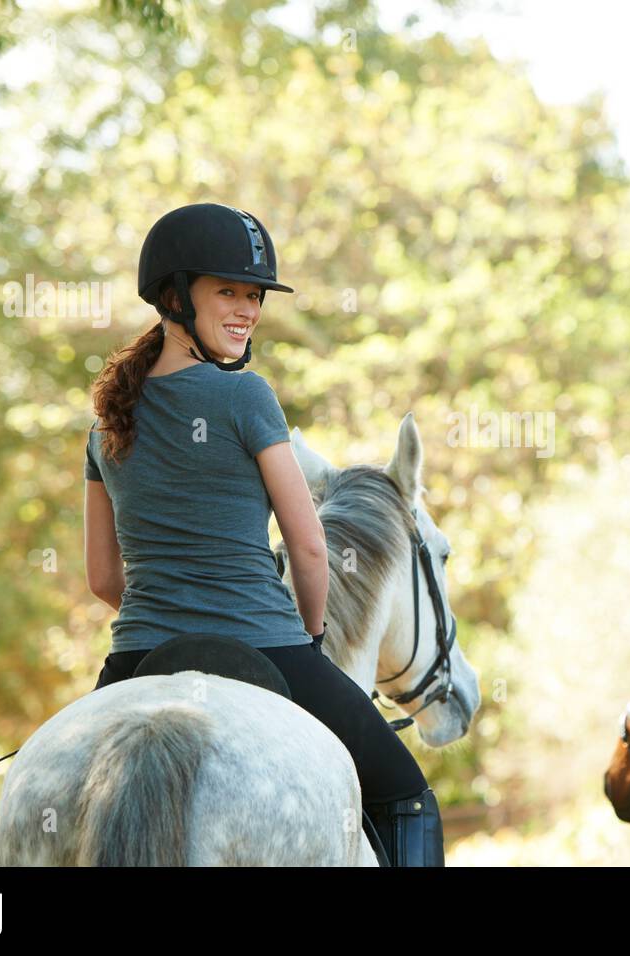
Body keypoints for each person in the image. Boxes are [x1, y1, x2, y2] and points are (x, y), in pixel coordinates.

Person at [82, 202, 444, 866]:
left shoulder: (105, 422)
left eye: (255, 296)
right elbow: (308, 546)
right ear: (174, 296)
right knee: (407, 797)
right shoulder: (247, 397)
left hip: (135, 659)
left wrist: (171, 612)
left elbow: (103, 579)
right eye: (229, 291)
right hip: (267, 645)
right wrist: (309, 636)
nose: (248, 309)